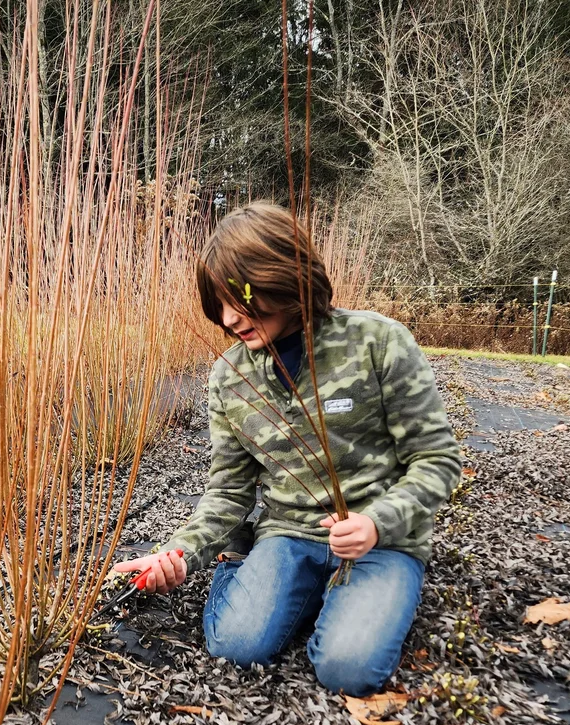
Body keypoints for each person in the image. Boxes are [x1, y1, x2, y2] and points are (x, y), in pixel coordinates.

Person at [111, 202, 462, 697]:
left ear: (285, 278)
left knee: (349, 670)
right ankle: (249, 564)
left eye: (242, 299)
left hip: (382, 541)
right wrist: (182, 553)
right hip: (286, 533)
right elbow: (229, 492)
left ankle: (369, 593)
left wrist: (377, 522)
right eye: (219, 305)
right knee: (236, 645)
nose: (230, 318)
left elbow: (438, 460)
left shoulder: (379, 342)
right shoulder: (229, 377)